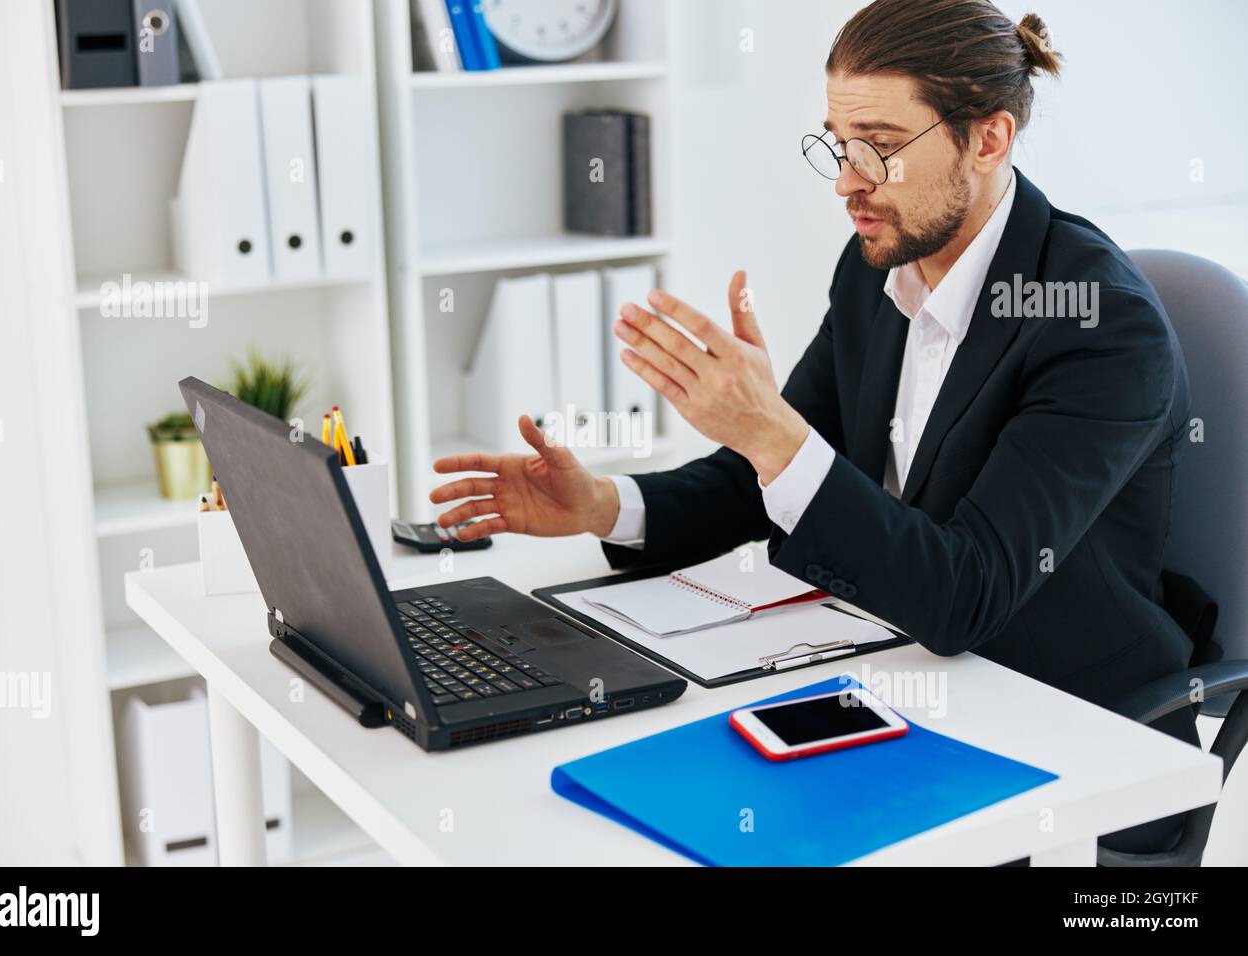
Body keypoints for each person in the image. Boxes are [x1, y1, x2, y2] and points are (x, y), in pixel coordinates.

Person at [429, 0, 1197, 856]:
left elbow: (966, 594)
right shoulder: (881, 265)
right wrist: (607, 505)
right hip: (895, 673)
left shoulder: (1099, 327)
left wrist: (773, 436)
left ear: (988, 140)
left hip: (1064, 720)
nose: (846, 181)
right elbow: (772, 476)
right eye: (836, 142)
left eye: (877, 146)